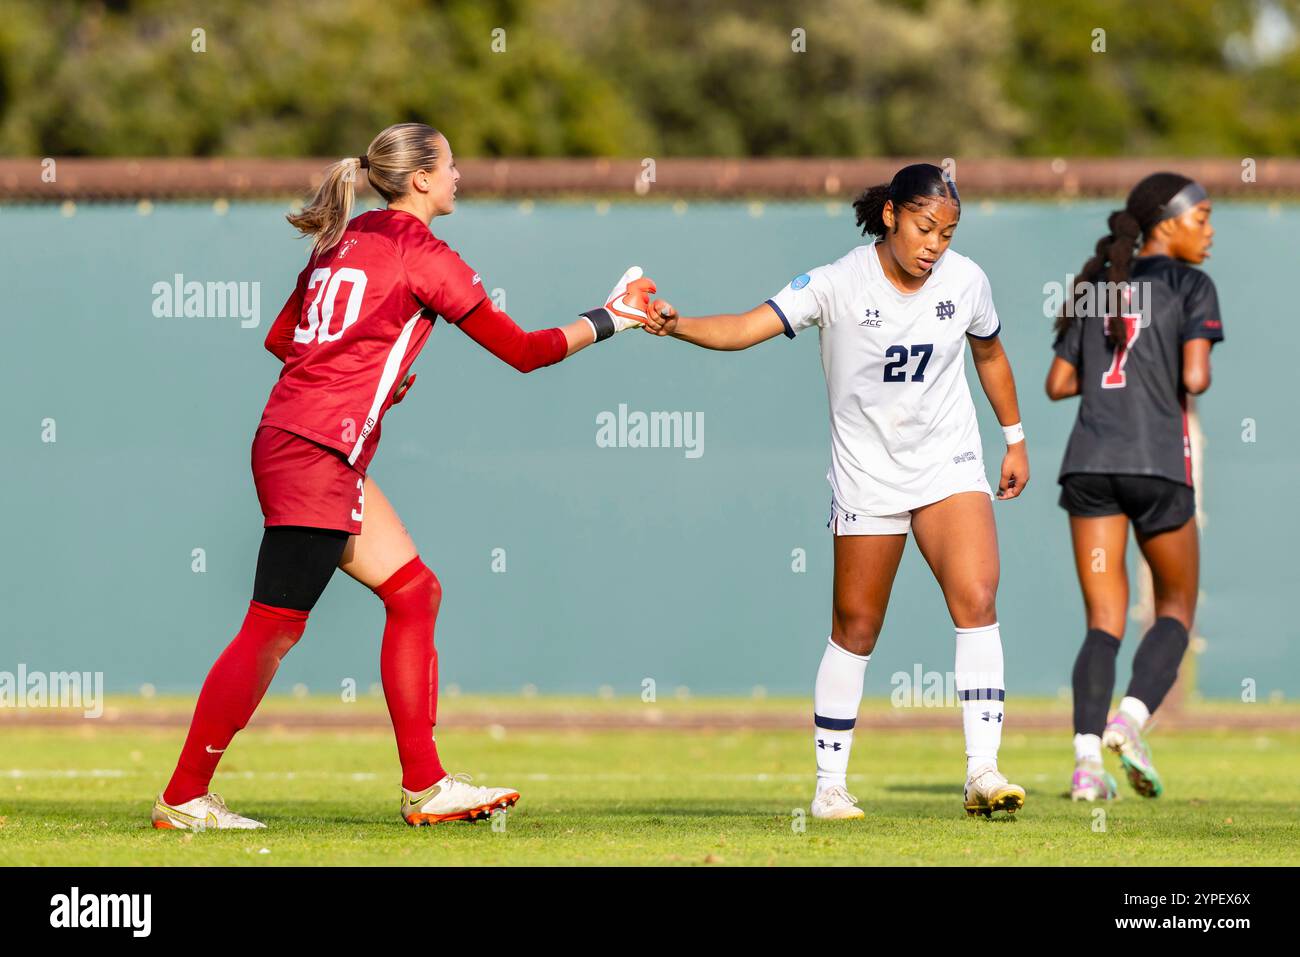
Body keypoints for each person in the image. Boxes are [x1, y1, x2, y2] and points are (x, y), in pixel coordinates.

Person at [151, 122, 656, 829]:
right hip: (315, 449)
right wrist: (615, 316)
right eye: (451, 164)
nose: (459, 175)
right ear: (420, 179)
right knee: (272, 626)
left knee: (414, 592)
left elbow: (284, 341)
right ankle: (182, 796)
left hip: (303, 440)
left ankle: (426, 783)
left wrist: (369, 379)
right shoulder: (421, 252)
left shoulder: (345, 239)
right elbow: (526, 352)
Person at [642, 164, 1029, 819]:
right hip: (868, 474)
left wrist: (1014, 437)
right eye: (924, 227)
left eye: (948, 231)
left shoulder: (966, 281)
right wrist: (674, 323)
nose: (935, 243)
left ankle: (983, 772)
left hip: (949, 464)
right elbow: (741, 328)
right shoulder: (835, 283)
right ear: (891, 217)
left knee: (978, 598)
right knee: (855, 628)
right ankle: (829, 784)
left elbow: (989, 353)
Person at [1047, 172, 1222, 801]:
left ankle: (1086, 766)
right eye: (1200, 217)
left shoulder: (1099, 289)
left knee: (1102, 621)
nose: (1209, 230)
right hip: (1155, 464)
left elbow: (1059, 384)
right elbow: (1196, 379)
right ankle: (1131, 720)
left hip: (1090, 464)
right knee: (1175, 607)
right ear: (1166, 223)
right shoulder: (1191, 284)